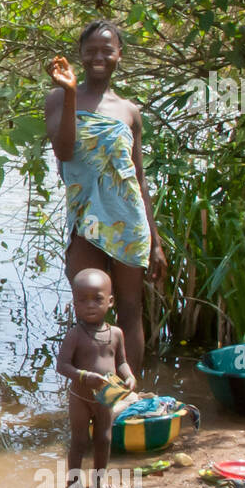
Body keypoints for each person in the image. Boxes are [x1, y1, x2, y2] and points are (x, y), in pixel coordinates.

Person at [45, 19, 166, 372]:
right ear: (80, 56)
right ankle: (91, 397)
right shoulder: (58, 98)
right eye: (91, 50)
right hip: (86, 221)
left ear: (119, 56)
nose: (99, 56)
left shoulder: (129, 111)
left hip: (128, 219)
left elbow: (138, 180)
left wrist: (155, 241)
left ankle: (128, 398)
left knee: (130, 309)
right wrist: (68, 93)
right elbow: (64, 151)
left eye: (106, 50)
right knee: (89, 313)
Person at [55, 268, 135, 488]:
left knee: (104, 437)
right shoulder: (75, 335)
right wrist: (83, 376)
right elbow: (62, 366)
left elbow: (121, 363)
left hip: (105, 397)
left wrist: (129, 377)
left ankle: (99, 480)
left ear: (110, 301)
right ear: (75, 304)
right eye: (83, 300)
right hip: (80, 397)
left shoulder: (116, 334)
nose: (90, 305)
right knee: (79, 440)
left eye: (97, 299)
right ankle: (73, 481)